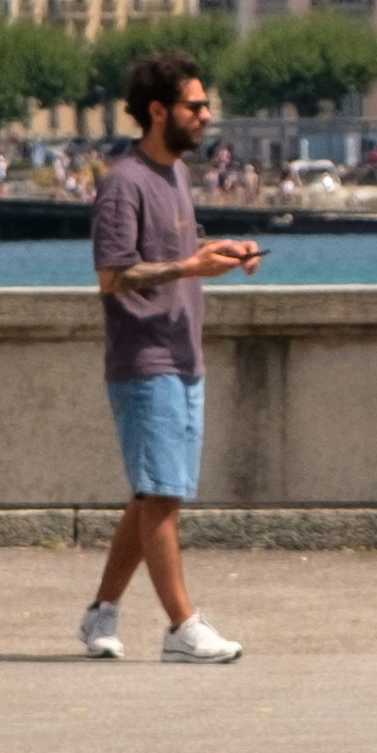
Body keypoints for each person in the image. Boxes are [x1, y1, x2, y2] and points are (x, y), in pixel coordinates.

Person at [83, 48, 263, 661]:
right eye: (195, 105)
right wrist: (189, 265)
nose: (206, 115)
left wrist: (223, 249)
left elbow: (177, 248)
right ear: (159, 112)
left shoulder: (176, 176)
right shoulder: (123, 183)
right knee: (160, 494)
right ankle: (181, 628)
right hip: (145, 360)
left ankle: (100, 614)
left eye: (206, 104)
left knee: (152, 493)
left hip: (185, 356)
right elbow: (112, 275)